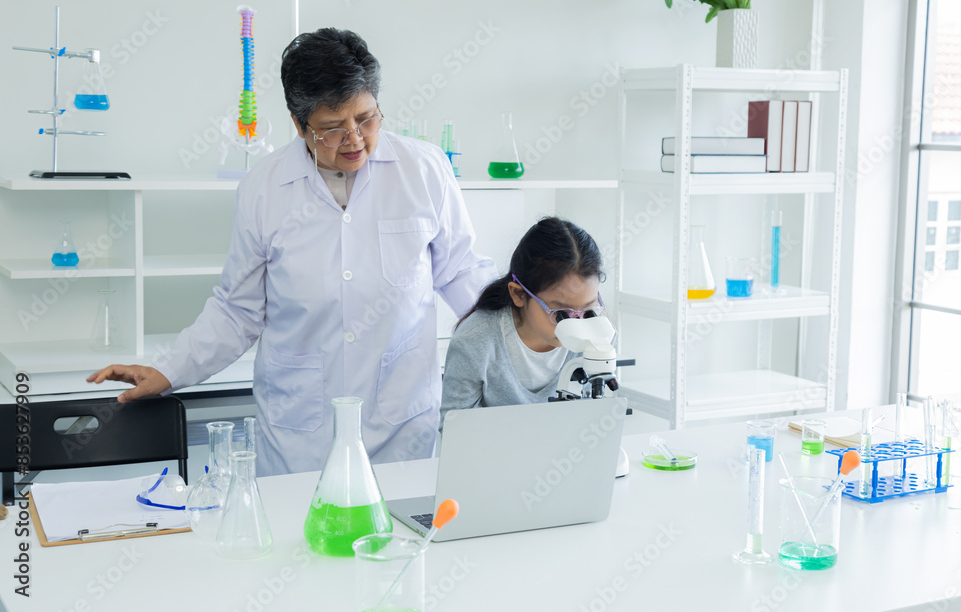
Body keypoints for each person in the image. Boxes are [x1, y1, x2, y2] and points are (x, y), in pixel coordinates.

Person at [87, 27, 495, 476]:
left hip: (400, 428)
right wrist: (167, 371)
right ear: (299, 125)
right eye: (332, 128)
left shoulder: (424, 169)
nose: (355, 139)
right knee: (296, 522)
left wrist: (529, 329)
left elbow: (461, 272)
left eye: (366, 118)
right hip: (300, 435)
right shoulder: (264, 188)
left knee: (399, 521)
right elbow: (237, 311)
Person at [440, 217, 606, 422]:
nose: (576, 323)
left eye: (588, 310)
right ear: (518, 294)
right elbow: (454, 428)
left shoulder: (596, 333)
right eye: (561, 313)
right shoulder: (476, 340)